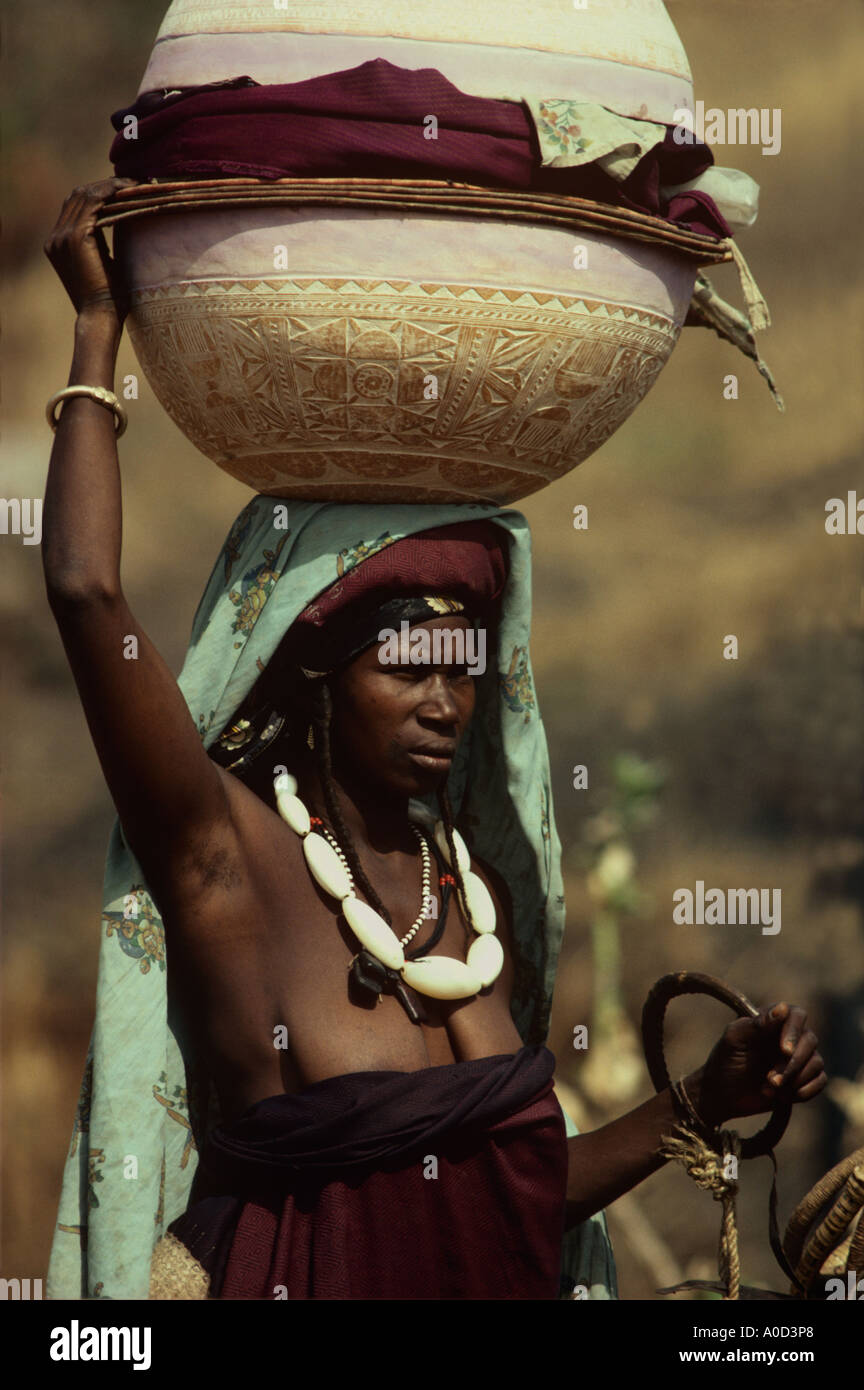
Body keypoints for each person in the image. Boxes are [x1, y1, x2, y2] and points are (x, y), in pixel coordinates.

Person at [43, 181, 827, 1300]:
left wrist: (704, 1099)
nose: (442, 703)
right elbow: (84, 591)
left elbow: (517, 1194)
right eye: (404, 665)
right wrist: (95, 328)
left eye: (461, 673)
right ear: (320, 674)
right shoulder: (226, 856)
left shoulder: (462, 899)